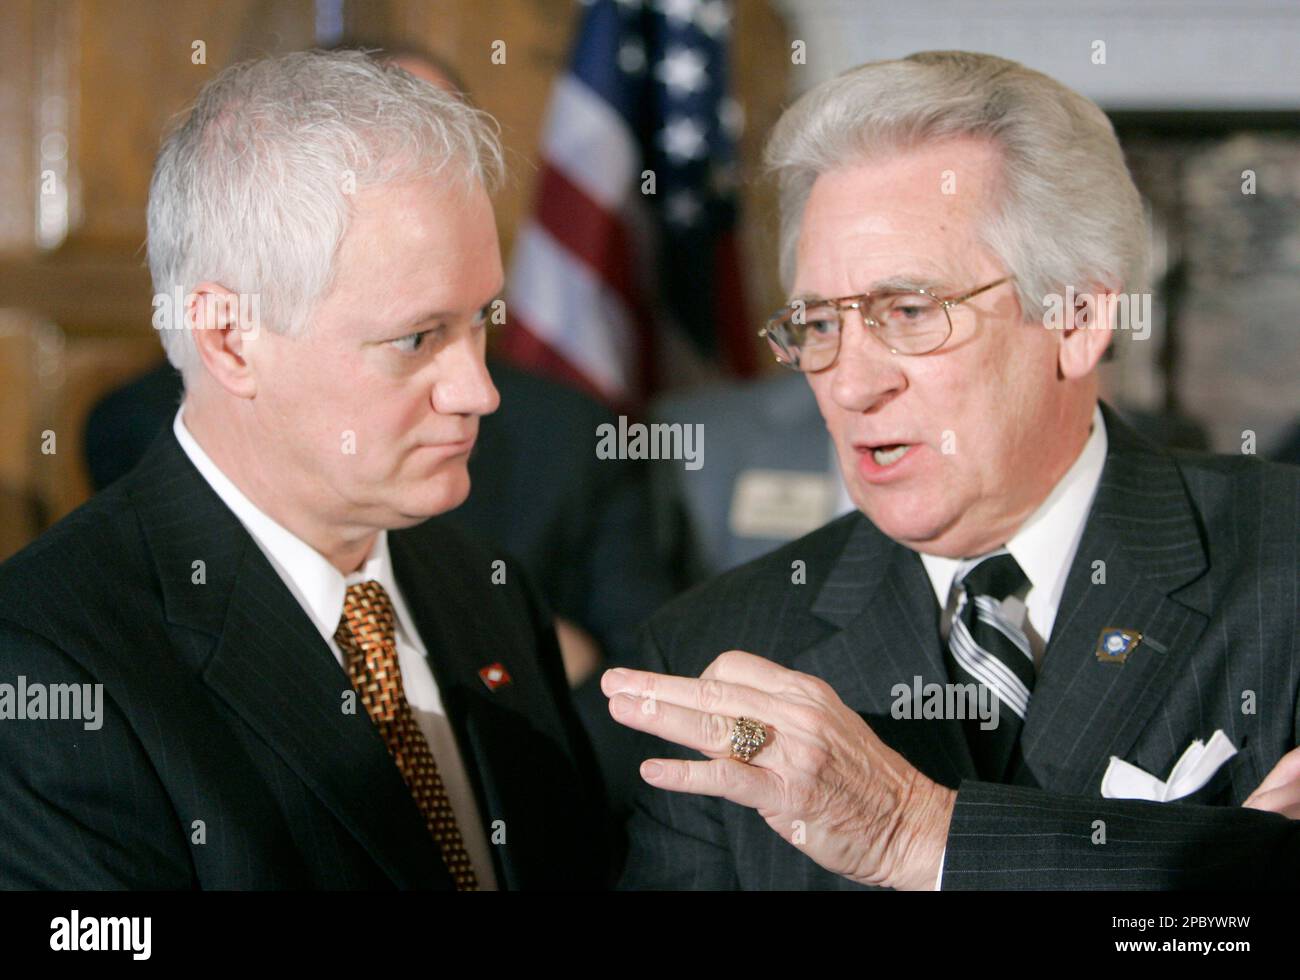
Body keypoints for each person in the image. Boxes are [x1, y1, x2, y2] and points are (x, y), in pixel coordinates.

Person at [606, 50, 1300, 890]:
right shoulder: (715, 654)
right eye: (819, 323)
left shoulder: (1282, 571)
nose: (853, 383)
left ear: (1078, 321)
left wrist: (920, 836)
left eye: (908, 311)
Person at [0, 49, 608, 889]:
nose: (478, 391)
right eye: (417, 338)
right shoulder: (45, 665)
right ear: (229, 339)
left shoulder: (486, 590)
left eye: (481, 324)